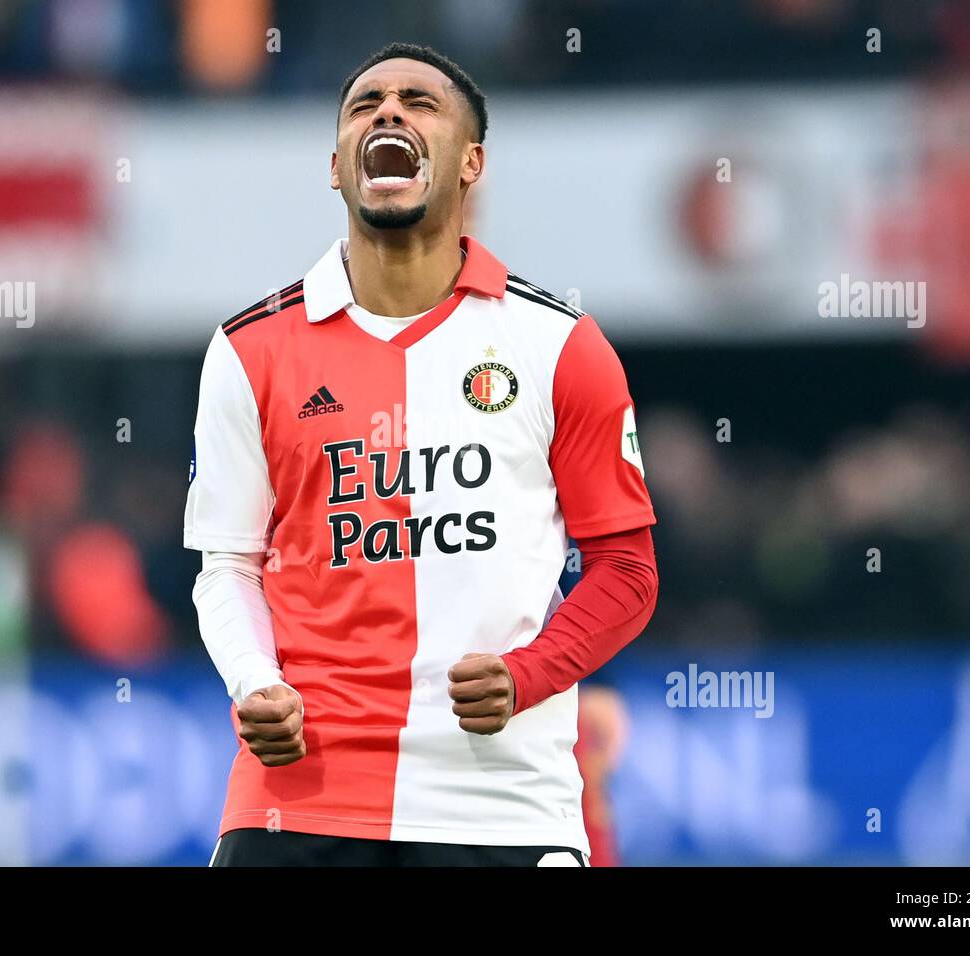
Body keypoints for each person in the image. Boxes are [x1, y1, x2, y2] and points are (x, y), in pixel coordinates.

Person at [186, 42, 659, 866]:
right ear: (336, 166)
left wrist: (530, 674)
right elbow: (229, 562)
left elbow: (626, 570)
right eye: (365, 103)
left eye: (420, 102)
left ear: (471, 163)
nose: (390, 112)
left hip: (502, 803)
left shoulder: (560, 348)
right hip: (299, 801)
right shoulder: (247, 351)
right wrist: (253, 680)